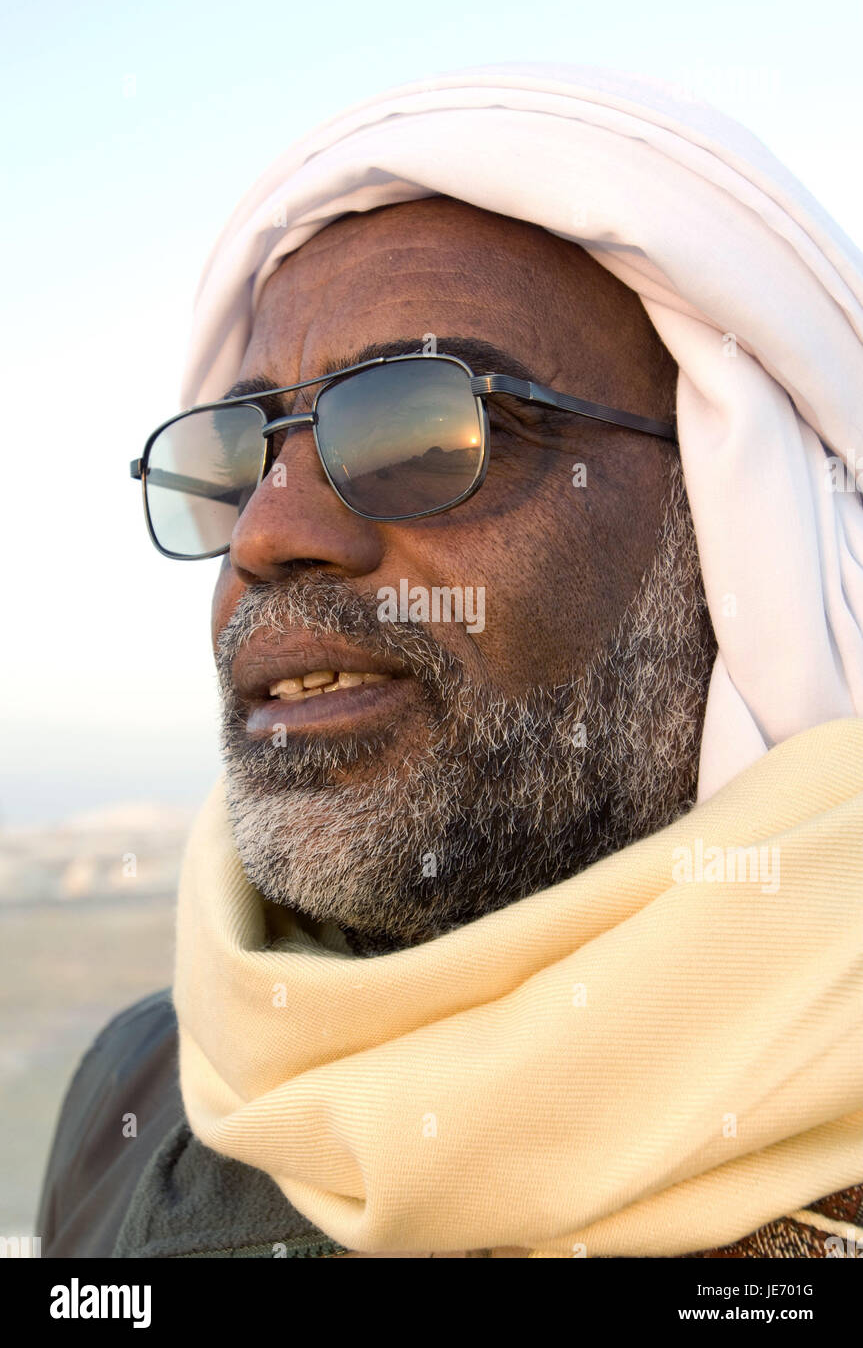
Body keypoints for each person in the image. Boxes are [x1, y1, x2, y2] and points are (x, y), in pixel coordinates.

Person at [38, 65, 863, 1259]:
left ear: (741, 516)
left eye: (424, 429)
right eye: (242, 452)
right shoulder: (140, 1081)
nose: (269, 533)